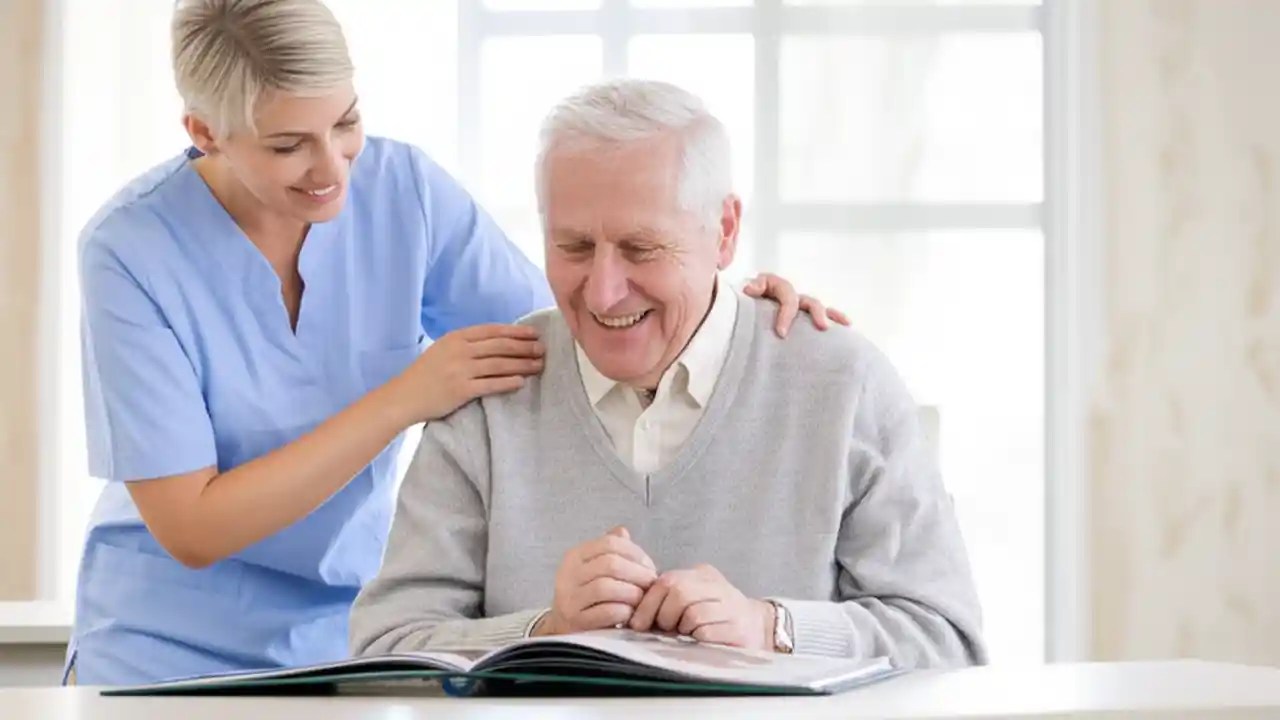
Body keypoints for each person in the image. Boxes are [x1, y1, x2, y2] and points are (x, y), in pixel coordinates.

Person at [70, 0, 842, 686]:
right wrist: (405, 398)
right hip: (161, 655)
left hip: (342, 645)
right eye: (287, 146)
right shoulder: (131, 251)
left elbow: (580, 335)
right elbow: (193, 527)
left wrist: (713, 296)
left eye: (345, 123)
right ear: (205, 133)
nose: (333, 168)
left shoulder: (403, 194)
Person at [349, 79, 987, 669]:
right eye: (572, 247)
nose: (602, 293)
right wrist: (544, 631)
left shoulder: (844, 383)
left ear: (725, 232)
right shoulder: (490, 397)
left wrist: (774, 630)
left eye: (640, 249)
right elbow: (386, 642)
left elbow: (947, 641)